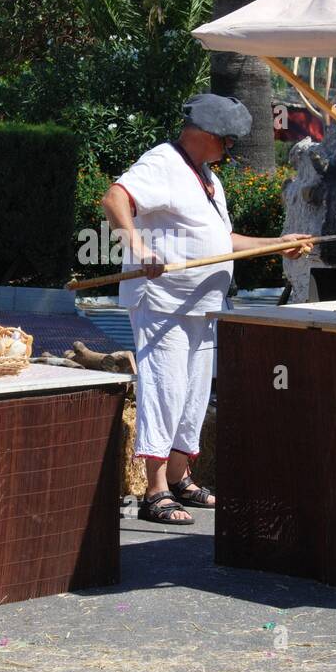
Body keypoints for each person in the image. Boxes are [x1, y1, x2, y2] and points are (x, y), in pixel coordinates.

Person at [102, 94, 311, 525]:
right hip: (165, 303)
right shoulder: (161, 162)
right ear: (207, 135)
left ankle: (179, 477)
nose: (230, 150)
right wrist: (137, 247)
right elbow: (114, 199)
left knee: (195, 393)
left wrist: (278, 245)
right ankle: (154, 490)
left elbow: (222, 239)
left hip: (202, 306)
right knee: (166, 388)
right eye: (228, 142)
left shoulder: (207, 177)